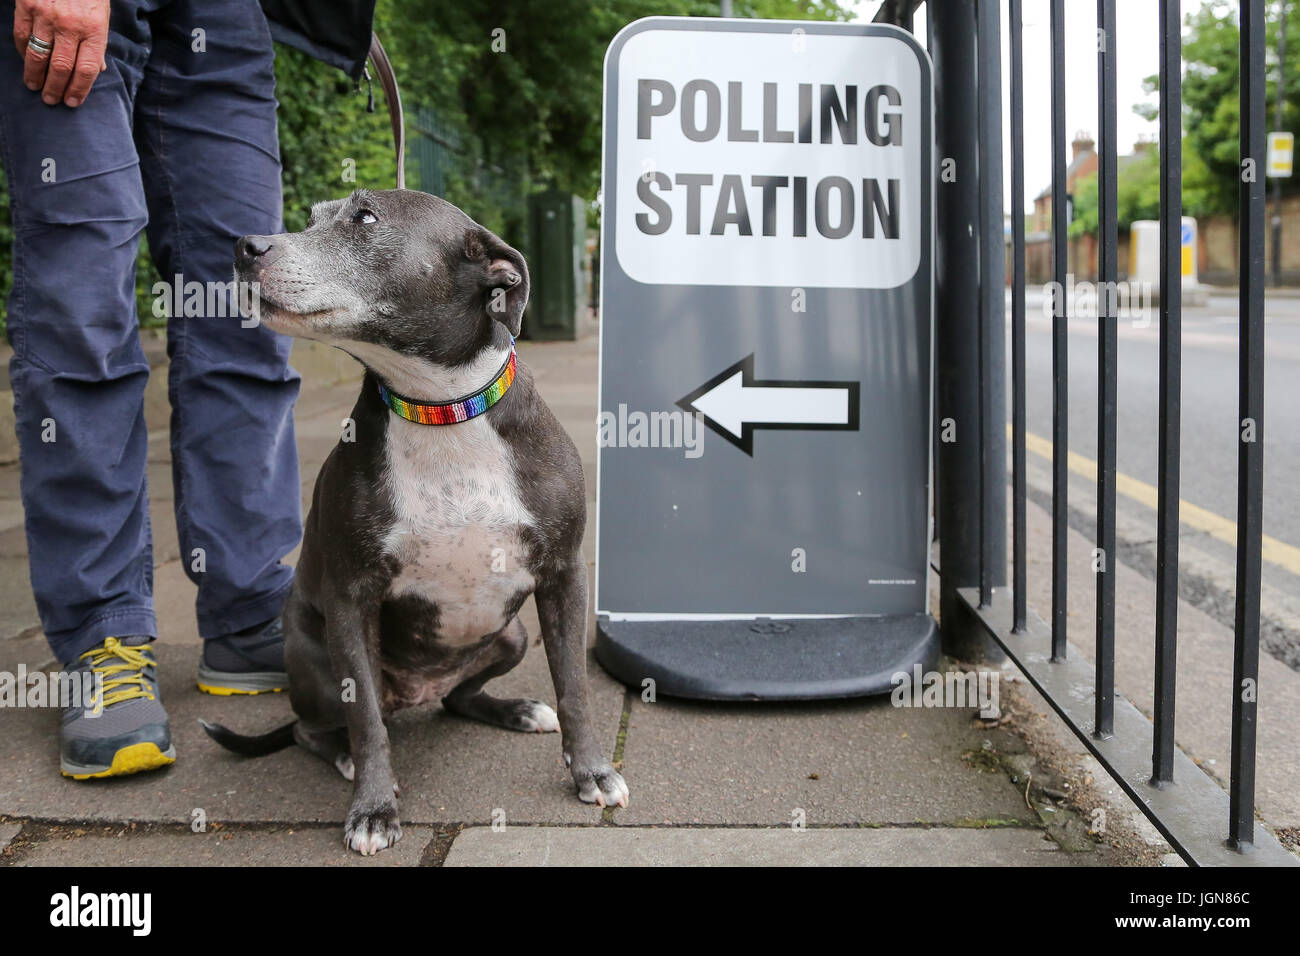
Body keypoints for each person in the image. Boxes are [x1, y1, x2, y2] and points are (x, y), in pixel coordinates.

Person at [0, 0, 373, 779]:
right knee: (82, 319)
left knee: (245, 308)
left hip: (228, 15)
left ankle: (248, 610)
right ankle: (102, 634)